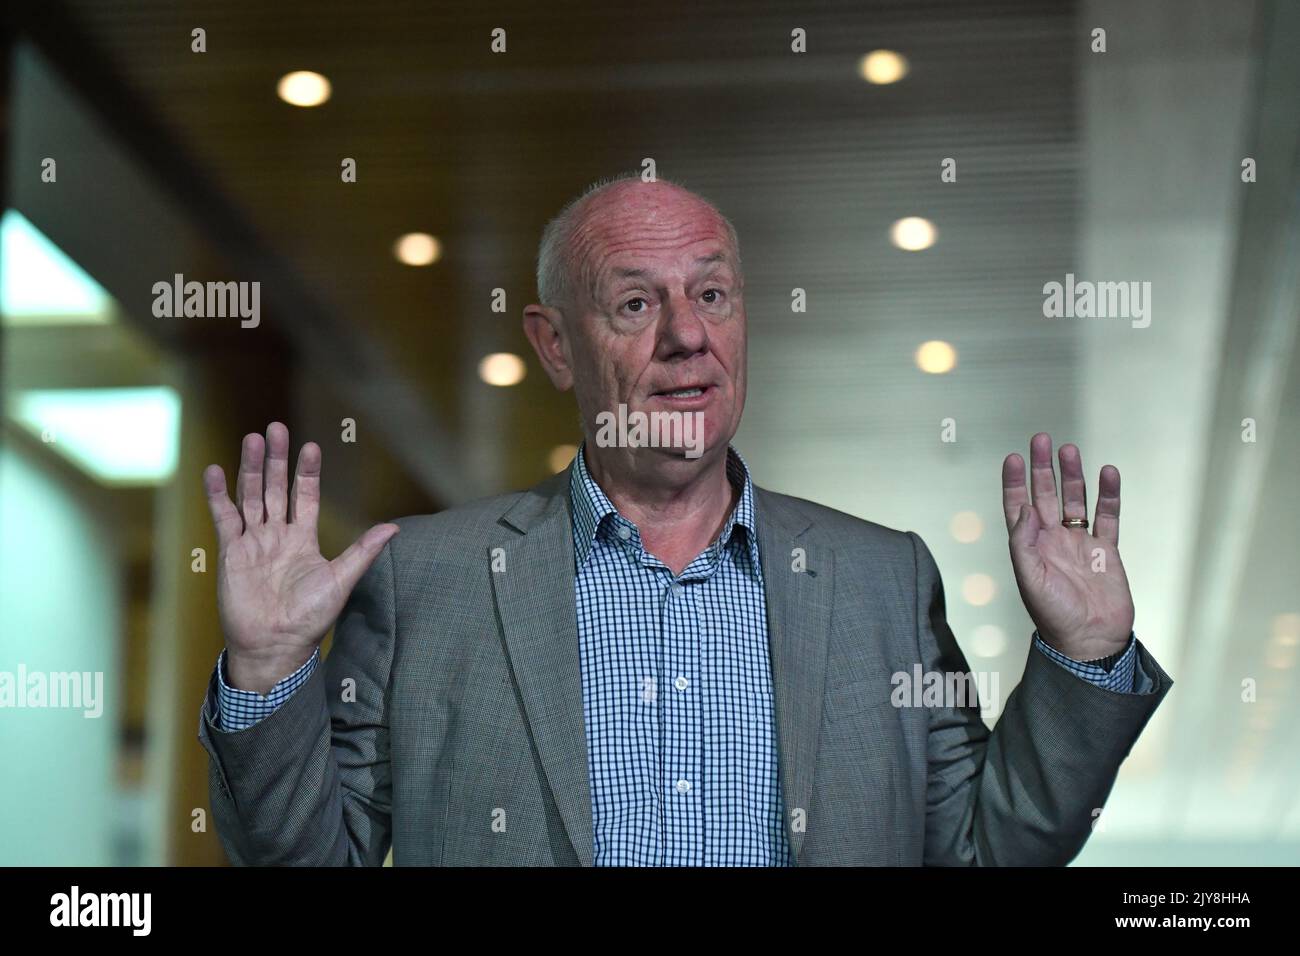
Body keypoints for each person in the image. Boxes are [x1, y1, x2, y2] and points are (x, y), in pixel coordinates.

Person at [197, 174, 1170, 866]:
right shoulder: (426, 580)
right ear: (556, 345)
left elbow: (981, 851)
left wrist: (1084, 655)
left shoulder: (884, 579)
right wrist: (267, 673)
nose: (687, 334)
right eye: (634, 302)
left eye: (711, 293)